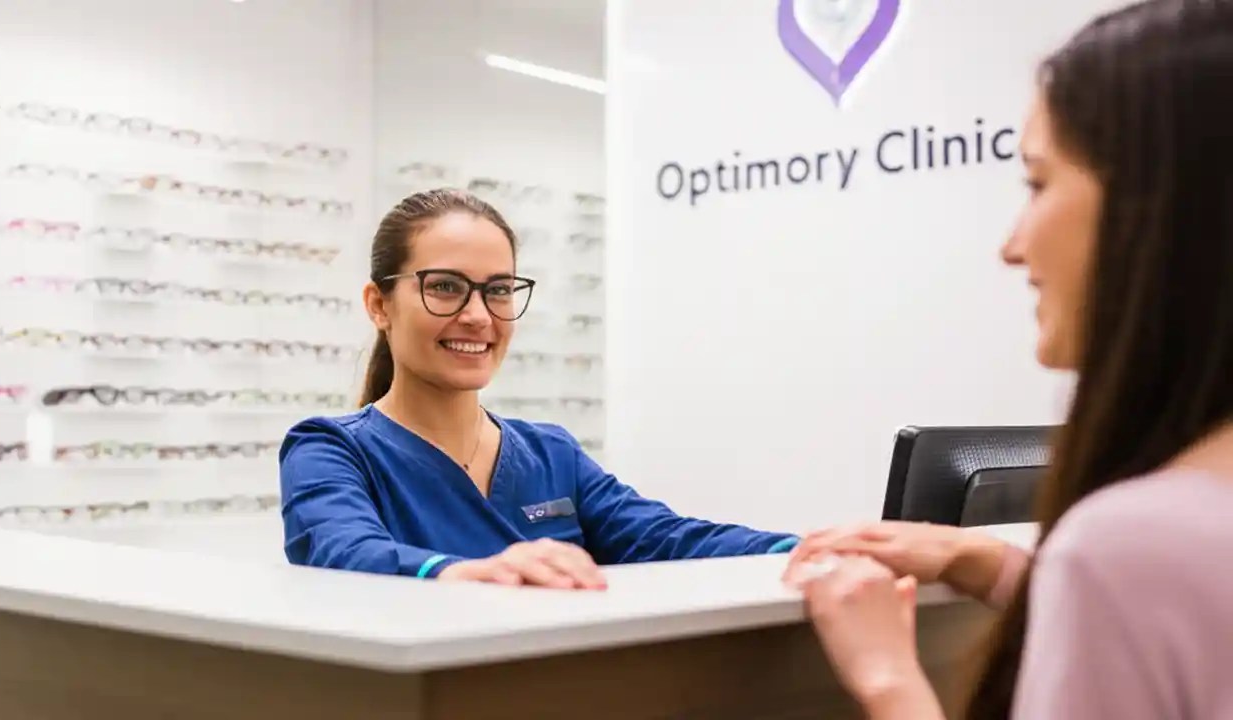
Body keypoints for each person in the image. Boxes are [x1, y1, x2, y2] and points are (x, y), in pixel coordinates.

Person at [781, 1, 1233, 717]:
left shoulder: (1134, 544)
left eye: (1037, 184)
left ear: (1165, 206)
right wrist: (1001, 566)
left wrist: (887, 680)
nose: (1012, 246)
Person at [279, 188, 799, 589]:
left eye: (499, 291)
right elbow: (345, 552)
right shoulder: (331, 449)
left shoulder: (551, 455)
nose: (478, 316)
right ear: (379, 304)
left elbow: (666, 539)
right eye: (445, 287)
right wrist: (467, 572)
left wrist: (811, 550)